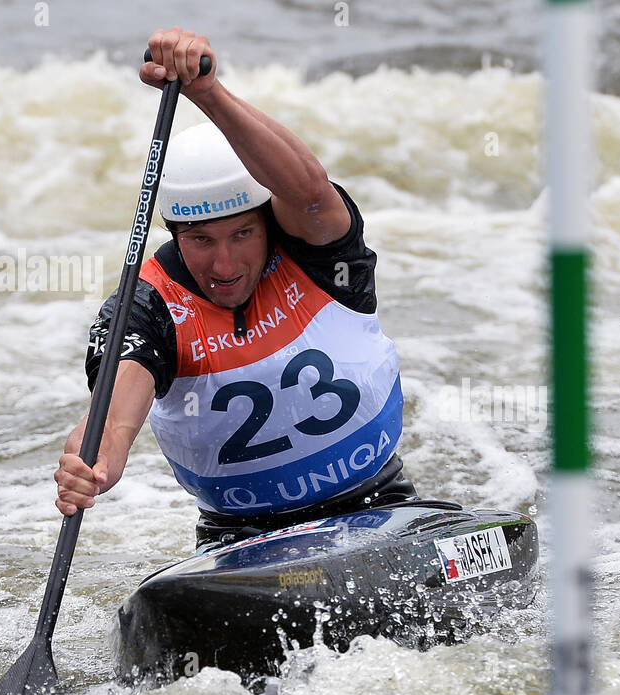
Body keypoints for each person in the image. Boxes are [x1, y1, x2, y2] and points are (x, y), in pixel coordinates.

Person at [54, 27, 419, 550]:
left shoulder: (320, 254)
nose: (224, 264)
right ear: (175, 233)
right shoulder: (146, 305)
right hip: (239, 543)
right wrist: (95, 463)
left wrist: (207, 93)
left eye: (242, 234)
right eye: (201, 240)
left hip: (379, 508)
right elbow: (111, 418)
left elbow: (309, 189)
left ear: (267, 221)